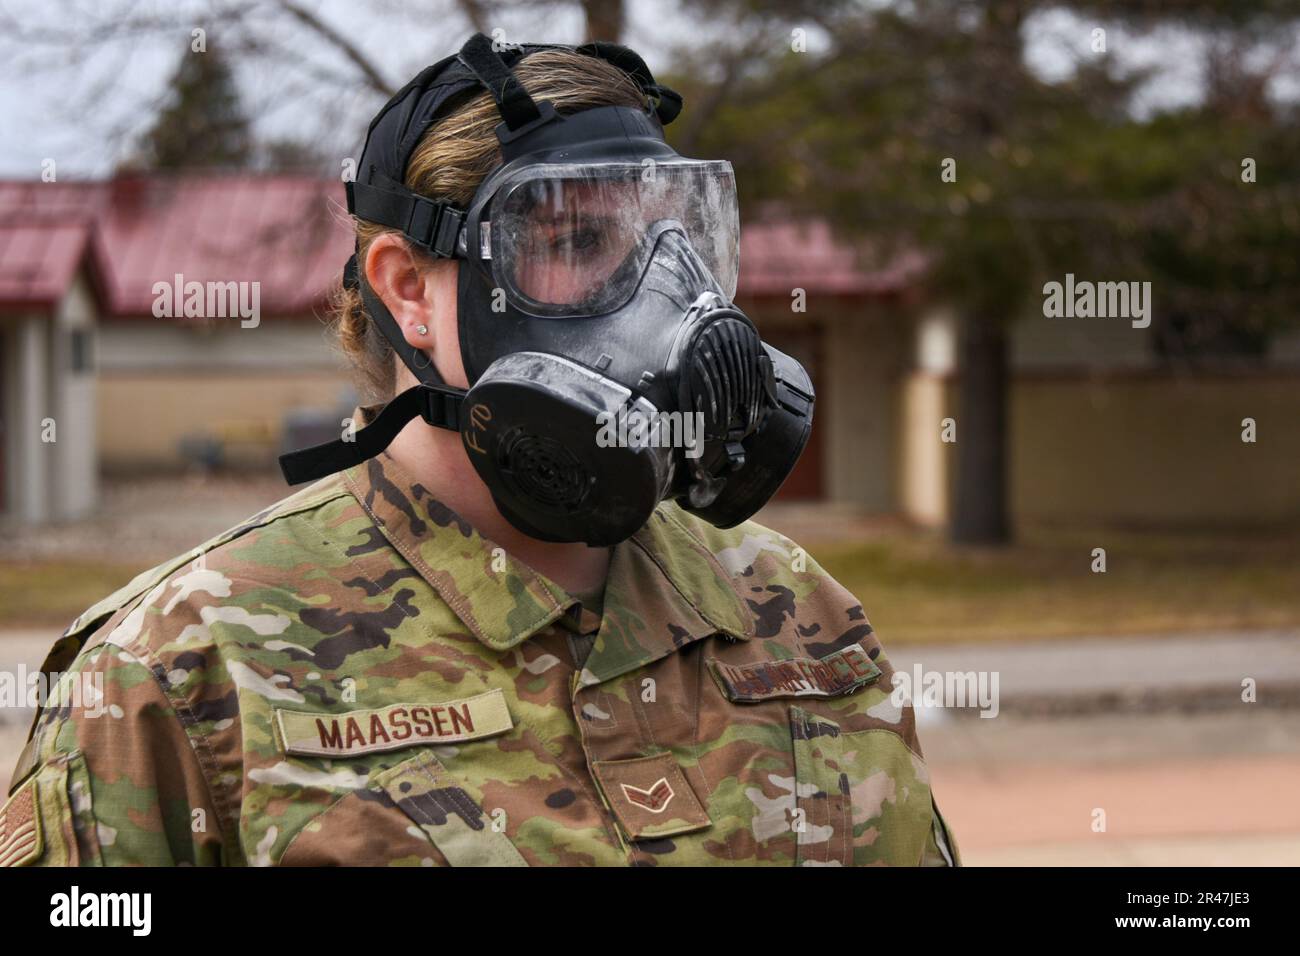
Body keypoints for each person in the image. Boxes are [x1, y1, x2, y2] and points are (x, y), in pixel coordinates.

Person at [1, 34, 960, 867]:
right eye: (578, 239)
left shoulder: (796, 612)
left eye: (677, 236)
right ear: (409, 289)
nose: (662, 295)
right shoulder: (178, 669)